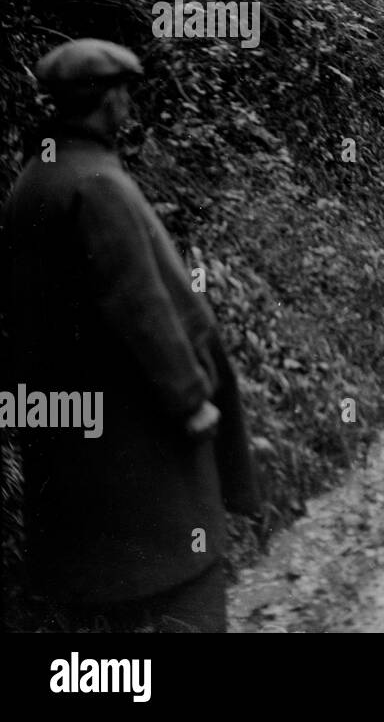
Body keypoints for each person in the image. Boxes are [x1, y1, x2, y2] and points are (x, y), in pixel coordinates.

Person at [0, 38, 260, 632]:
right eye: (124, 93)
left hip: (72, 450)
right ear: (106, 99)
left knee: (107, 614)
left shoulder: (33, 179)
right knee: (184, 594)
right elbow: (140, 305)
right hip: (140, 448)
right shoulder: (98, 187)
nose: (129, 105)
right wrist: (191, 400)